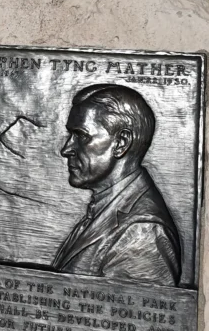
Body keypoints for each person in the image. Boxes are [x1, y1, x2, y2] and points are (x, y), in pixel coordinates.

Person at [52, 84, 181, 286]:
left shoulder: (143, 232)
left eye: (81, 136)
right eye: (70, 135)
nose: (66, 149)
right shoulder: (104, 209)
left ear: (121, 142)